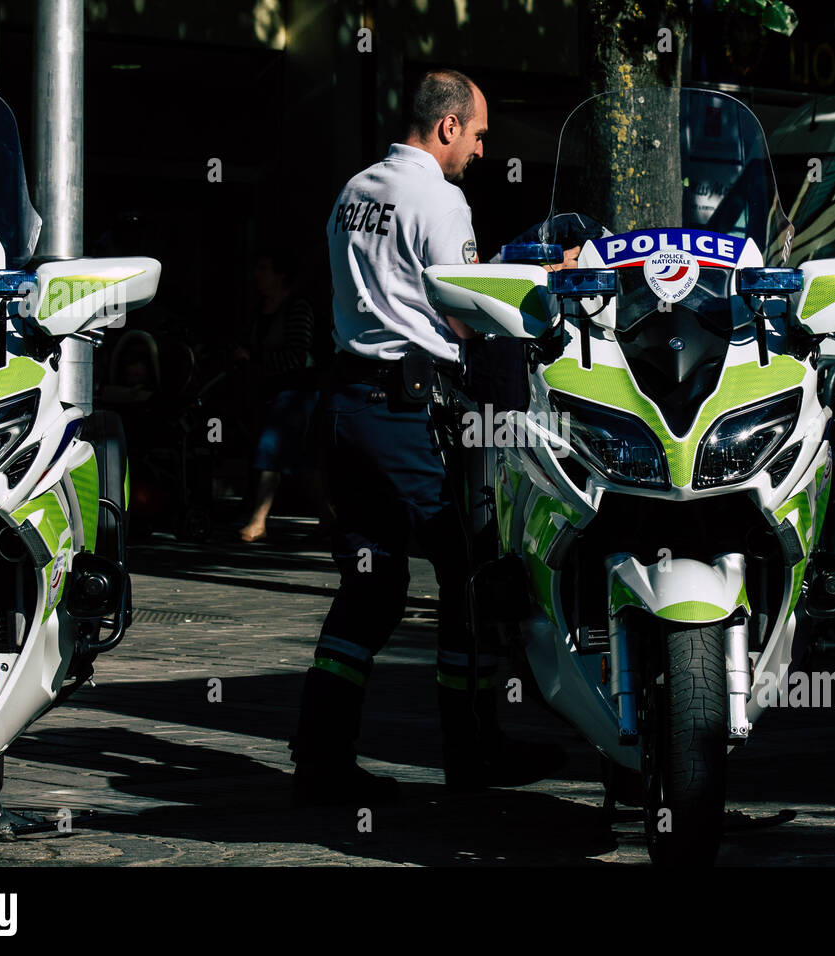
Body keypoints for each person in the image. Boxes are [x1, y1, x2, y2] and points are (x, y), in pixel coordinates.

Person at [290, 69, 564, 805]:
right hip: (412, 415)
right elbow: (468, 312)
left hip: (349, 409)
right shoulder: (441, 202)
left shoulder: (355, 191)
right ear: (447, 127)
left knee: (371, 588)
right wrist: (533, 285)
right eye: (477, 135)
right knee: (469, 575)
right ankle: (472, 752)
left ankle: (320, 755)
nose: (480, 150)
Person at [237, 249, 320, 543]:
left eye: (264, 268)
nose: (258, 275)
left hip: (296, 394)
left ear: (281, 275)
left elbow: (297, 357)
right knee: (302, 464)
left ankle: (258, 521)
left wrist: (255, 359)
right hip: (270, 393)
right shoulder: (261, 310)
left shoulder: (297, 309)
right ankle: (333, 520)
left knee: (269, 451)